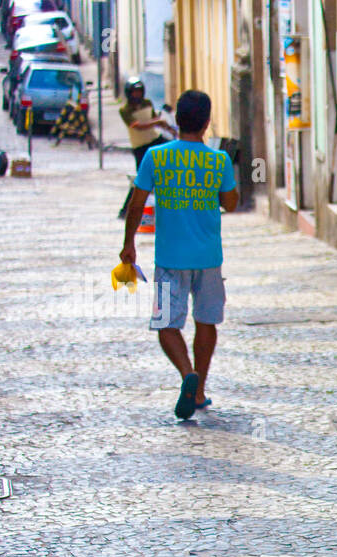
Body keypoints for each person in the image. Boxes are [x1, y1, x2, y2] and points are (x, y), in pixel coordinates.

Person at [120, 89, 239, 420]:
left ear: (178, 120)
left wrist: (129, 243)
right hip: (208, 258)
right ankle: (199, 390)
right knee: (207, 320)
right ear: (207, 123)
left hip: (168, 258)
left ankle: (187, 372)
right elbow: (231, 203)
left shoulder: (155, 157)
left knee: (165, 323)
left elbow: (137, 202)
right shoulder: (219, 160)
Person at [116, 77, 171, 219]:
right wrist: (157, 122)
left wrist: (169, 128)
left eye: (139, 92)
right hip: (140, 146)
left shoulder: (147, 103)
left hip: (154, 140)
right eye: (134, 92)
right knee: (141, 178)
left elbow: (154, 120)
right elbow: (137, 126)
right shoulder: (125, 110)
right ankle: (126, 209)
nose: (137, 95)